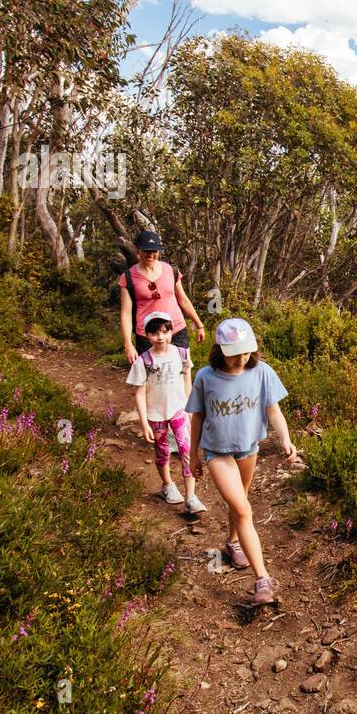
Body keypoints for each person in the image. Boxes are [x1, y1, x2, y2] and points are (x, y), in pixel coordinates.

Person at [187, 318, 300, 606]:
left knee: (242, 502)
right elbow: (197, 417)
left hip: (248, 448)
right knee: (242, 508)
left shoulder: (262, 372)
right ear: (220, 349)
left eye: (246, 351)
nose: (242, 358)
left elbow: (273, 411)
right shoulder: (205, 377)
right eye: (235, 352)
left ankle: (233, 541)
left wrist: (285, 439)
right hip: (217, 452)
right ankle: (263, 579)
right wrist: (192, 455)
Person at [127, 311, 207, 514]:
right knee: (162, 451)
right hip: (156, 414)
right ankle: (167, 485)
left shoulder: (181, 354)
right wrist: (144, 423)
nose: (160, 337)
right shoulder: (143, 361)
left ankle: (191, 496)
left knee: (187, 449)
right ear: (147, 335)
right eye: (155, 333)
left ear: (172, 331)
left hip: (179, 409)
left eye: (165, 331)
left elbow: (188, 381)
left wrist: (191, 408)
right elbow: (139, 394)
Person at [118, 230, 206, 365]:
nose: (151, 254)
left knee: (182, 371)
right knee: (151, 376)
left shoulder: (171, 271)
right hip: (148, 334)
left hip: (176, 330)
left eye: (155, 250)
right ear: (137, 250)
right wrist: (128, 344)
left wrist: (199, 324)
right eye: (146, 250)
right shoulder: (128, 277)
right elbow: (126, 314)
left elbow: (183, 300)